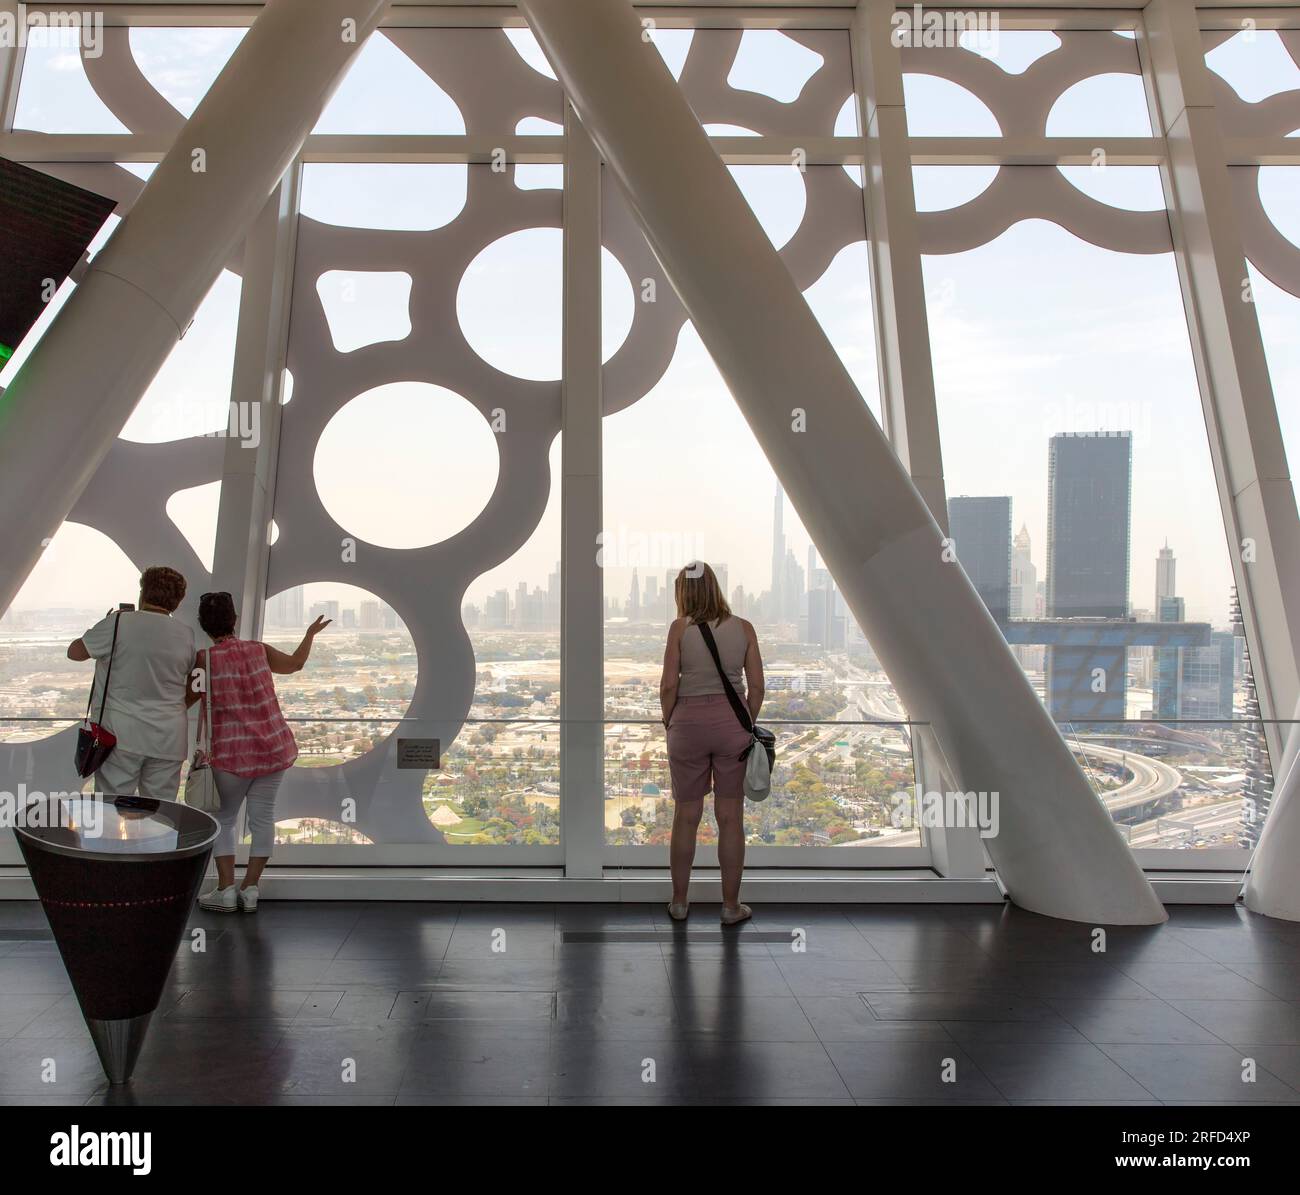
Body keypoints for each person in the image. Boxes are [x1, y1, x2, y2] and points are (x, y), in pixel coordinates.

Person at [190, 591, 329, 913]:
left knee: (223, 819)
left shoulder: (204, 659)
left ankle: (225, 889)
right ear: (234, 619)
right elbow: (295, 664)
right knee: (262, 817)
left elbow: (186, 699)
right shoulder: (258, 651)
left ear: (203, 625)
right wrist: (309, 634)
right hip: (272, 748)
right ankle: (251, 888)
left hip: (229, 754)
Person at [659, 562, 764, 926]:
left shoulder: (679, 629)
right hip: (732, 726)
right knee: (731, 819)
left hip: (687, 725)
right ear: (715, 588)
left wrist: (669, 721)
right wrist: (743, 721)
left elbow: (669, 685)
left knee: (686, 817)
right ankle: (731, 907)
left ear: (683, 593)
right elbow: (758, 688)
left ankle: (679, 903)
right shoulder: (745, 629)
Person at [68, 566, 194, 801]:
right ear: (177, 601)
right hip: (169, 739)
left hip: (120, 735)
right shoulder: (185, 634)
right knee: (161, 814)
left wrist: (105, 626)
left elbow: (75, 652)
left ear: (143, 593)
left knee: (110, 810)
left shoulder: (118, 623)